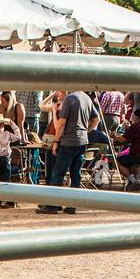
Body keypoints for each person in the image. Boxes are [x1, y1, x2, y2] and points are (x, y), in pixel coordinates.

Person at [37, 87, 98, 215]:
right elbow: (95, 119)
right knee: (75, 174)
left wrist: (56, 142)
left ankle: (53, 205)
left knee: (58, 173)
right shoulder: (87, 98)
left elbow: (60, 124)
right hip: (82, 141)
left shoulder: (70, 99)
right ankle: (72, 205)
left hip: (68, 141)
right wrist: (85, 131)